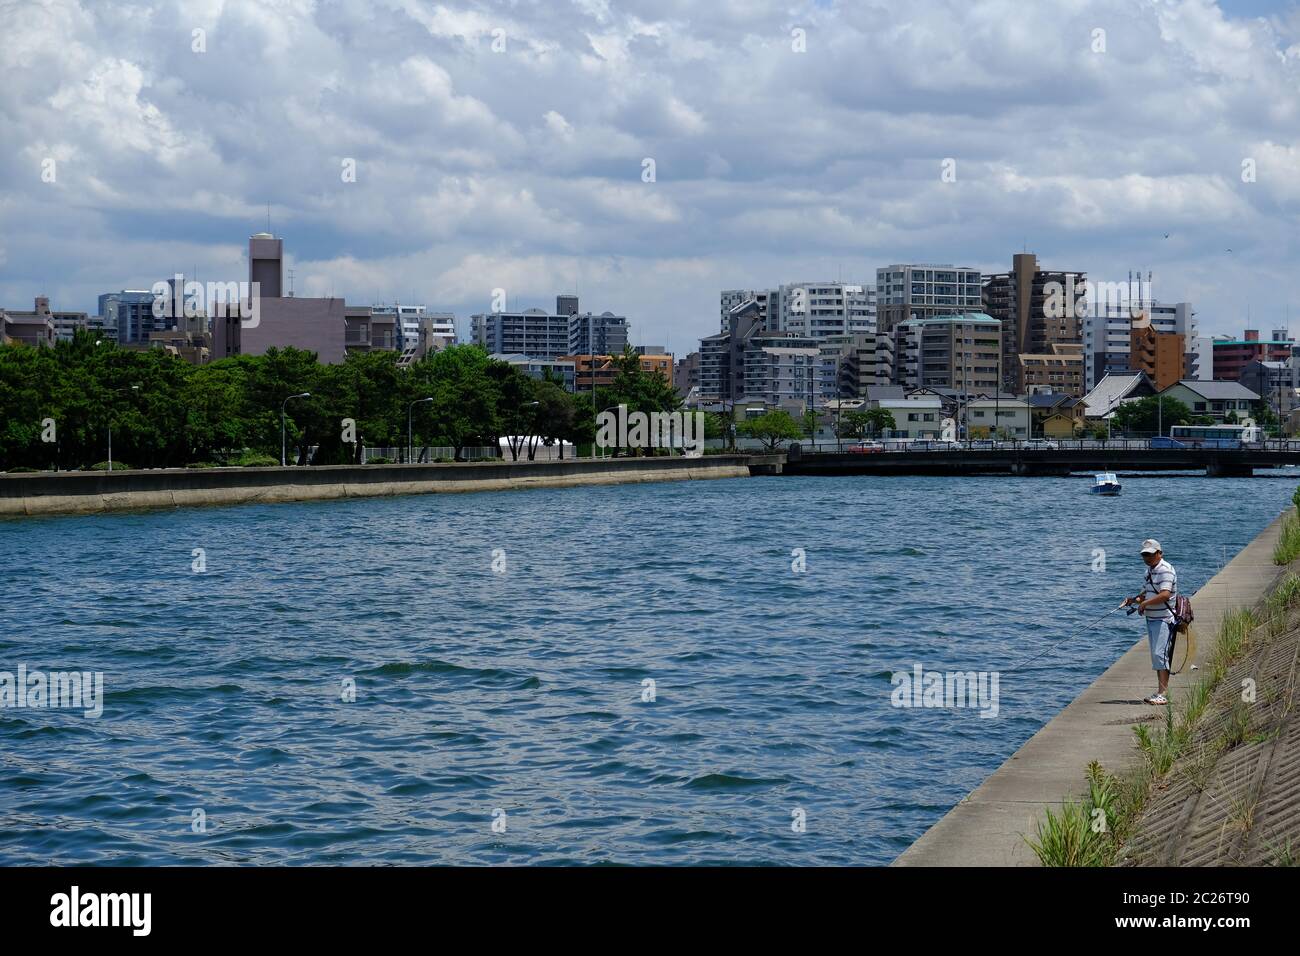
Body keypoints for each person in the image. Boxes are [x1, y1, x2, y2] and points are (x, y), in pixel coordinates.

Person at [1123, 539, 1177, 706]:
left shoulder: (1165, 570)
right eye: (1145, 555)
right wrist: (1134, 600)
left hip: (1164, 619)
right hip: (1152, 618)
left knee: (1160, 655)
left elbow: (1165, 594)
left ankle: (1163, 693)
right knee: (1156, 655)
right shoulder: (1150, 571)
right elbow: (1148, 593)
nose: (1147, 558)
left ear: (1159, 553)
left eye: (1150, 554)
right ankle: (1160, 691)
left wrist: (1145, 604)